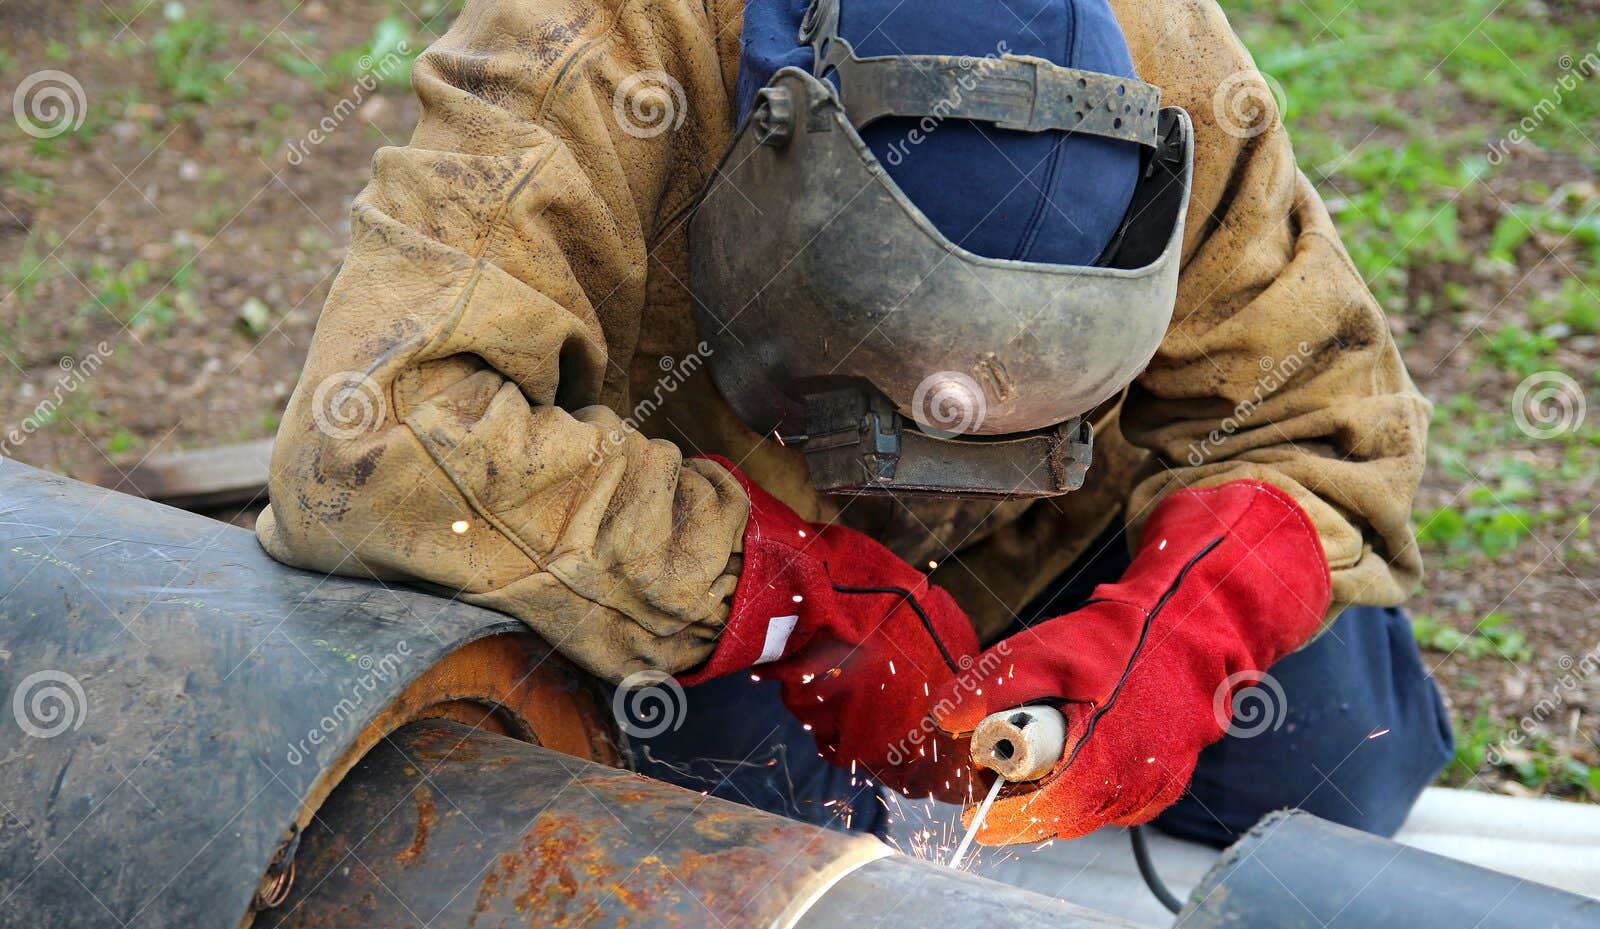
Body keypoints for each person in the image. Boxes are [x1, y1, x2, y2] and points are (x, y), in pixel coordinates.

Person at [257, 0, 1453, 850]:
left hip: (1054, 545)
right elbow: (378, 436)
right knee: (760, 862)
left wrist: (1176, 640)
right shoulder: (592, 46)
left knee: (1328, 759)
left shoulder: (1174, 64)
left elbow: (1320, 414)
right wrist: (786, 596)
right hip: (713, 560)